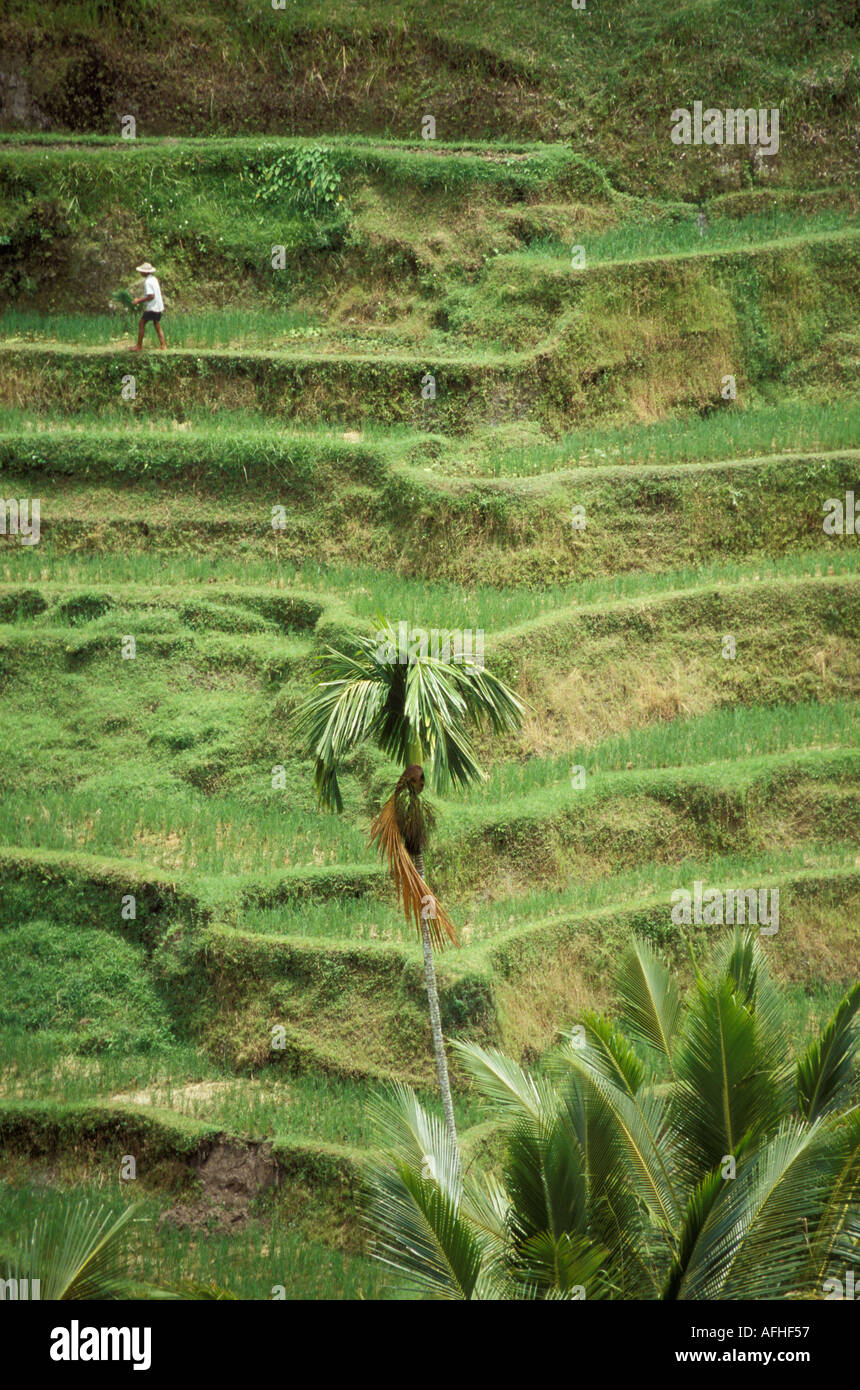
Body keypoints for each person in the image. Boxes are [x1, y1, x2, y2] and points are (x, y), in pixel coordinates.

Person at [130, 261, 166, 350]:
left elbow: (151, 296)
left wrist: (138, 300)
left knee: (141, 323)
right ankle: (163, 345)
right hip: (158, 306)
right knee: (156, 324)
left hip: (153, 307)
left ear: (145, 272)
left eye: (141, 271)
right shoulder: (154, 279)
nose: (140, 273)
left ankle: (139, 346)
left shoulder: (148, 282)